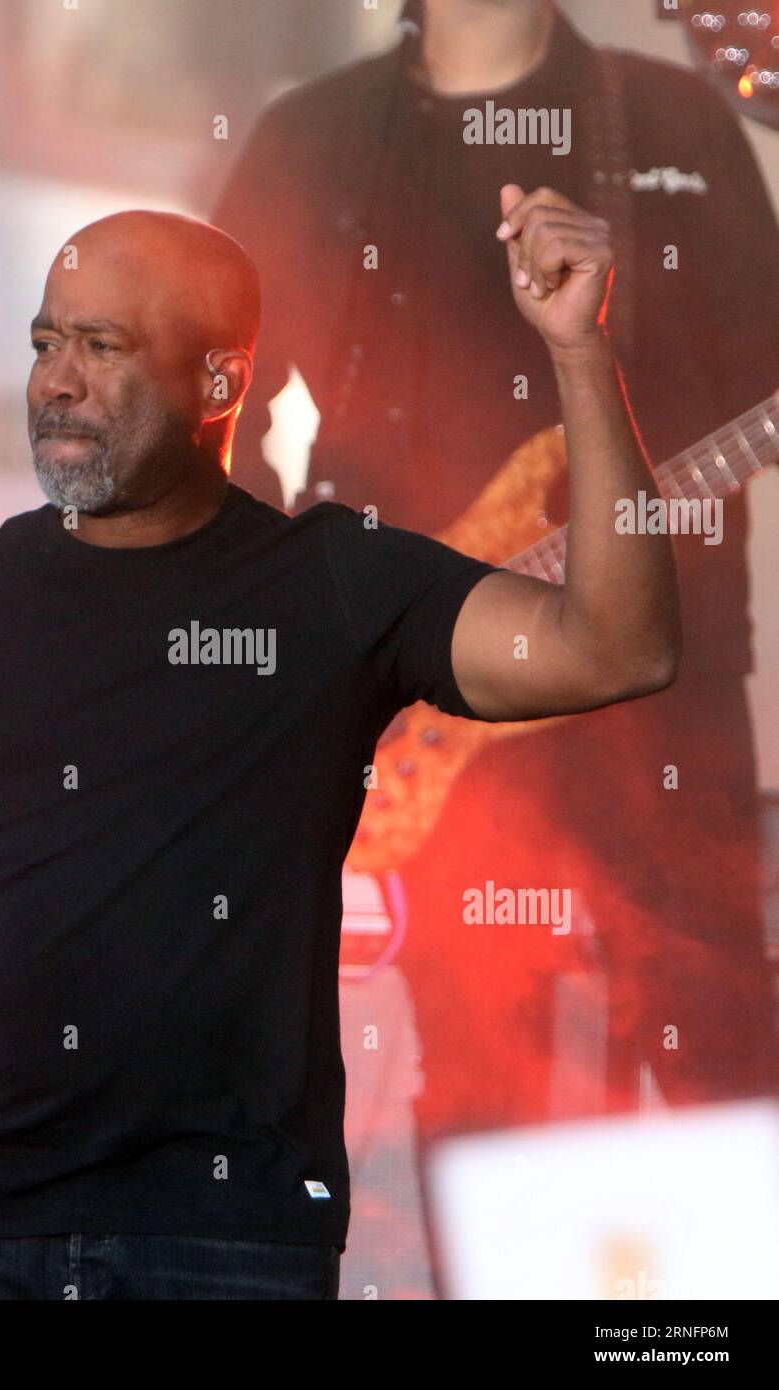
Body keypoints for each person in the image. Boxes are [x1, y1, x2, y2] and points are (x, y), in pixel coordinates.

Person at [0, 196, 679, 1300]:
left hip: (235, 1236)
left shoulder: (339, 584)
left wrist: (578, 350)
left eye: (100, 346)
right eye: (44, 341)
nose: (54, 380)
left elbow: (617, 648)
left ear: (218, 385)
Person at [211, 0, 779, 1158]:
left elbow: (759, 363)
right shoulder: (308, 134)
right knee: (478, 1062)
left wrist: (606, 325)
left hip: (654, 664)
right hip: (427, 673)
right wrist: (298, 627)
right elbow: (211, 399)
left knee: (713, 1032)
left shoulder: (668, 111)